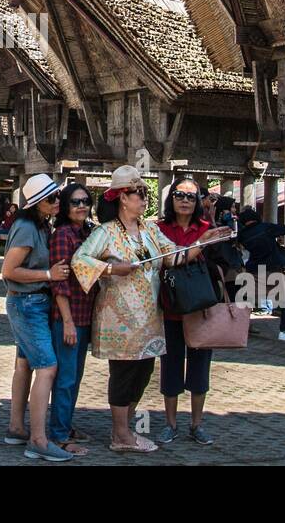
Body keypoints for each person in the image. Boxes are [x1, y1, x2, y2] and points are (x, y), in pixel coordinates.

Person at [73, 165, 202, 454]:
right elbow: (80, 260)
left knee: (143, 373)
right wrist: (111, 269)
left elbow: (174, 256)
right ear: (122, 198)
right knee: (123, 374)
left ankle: (124, 428)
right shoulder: (106, 232)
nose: (145, 199)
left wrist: (203, 242)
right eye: (140, 194)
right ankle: (120, 434)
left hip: (149, 318)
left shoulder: (150, 230)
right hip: (118, 320)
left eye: (145, 194)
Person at [2, 174, 73, 462]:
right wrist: (48, 275)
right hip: (28, 303)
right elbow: (9, 271)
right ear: (36, 204)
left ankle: (17, 428)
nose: (58, 202)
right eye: (51, 198)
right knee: (47, 367)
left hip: (30, 302)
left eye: (58, 196)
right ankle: (38, 440)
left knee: (24, 364)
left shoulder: (40, 225)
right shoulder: (27, 228)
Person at [155, 177, 227, 446]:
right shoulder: (159, 229)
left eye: (191, 196)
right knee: (170, 366)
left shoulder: (208, 229)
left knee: (200, 368)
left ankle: (197, 424)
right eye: (179, 195)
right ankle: (170, 424)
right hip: (171, 308)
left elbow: (224, 265)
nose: (185, 201)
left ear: (198, 201)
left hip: (200, 309)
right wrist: (197, 247)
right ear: (171, 198)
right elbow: (162, 262)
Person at [47, 182, 97, 456]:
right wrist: (66, 321)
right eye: (75, 202)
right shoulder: (63, 235)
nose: (81, 206)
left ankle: (65, 425)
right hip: (68, 317)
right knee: (65, 378)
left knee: (75, 377)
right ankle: (58, 435)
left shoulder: (88, 233)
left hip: (85, 315)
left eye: (85, 201)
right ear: (66, 206)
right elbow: (60, 283)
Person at [237, 207, 285, 341]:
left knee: (247, 300)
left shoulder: (243, 235)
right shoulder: (266, 228)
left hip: (254, 270)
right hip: (272, 269)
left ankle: (241, 328)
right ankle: (284, 331)